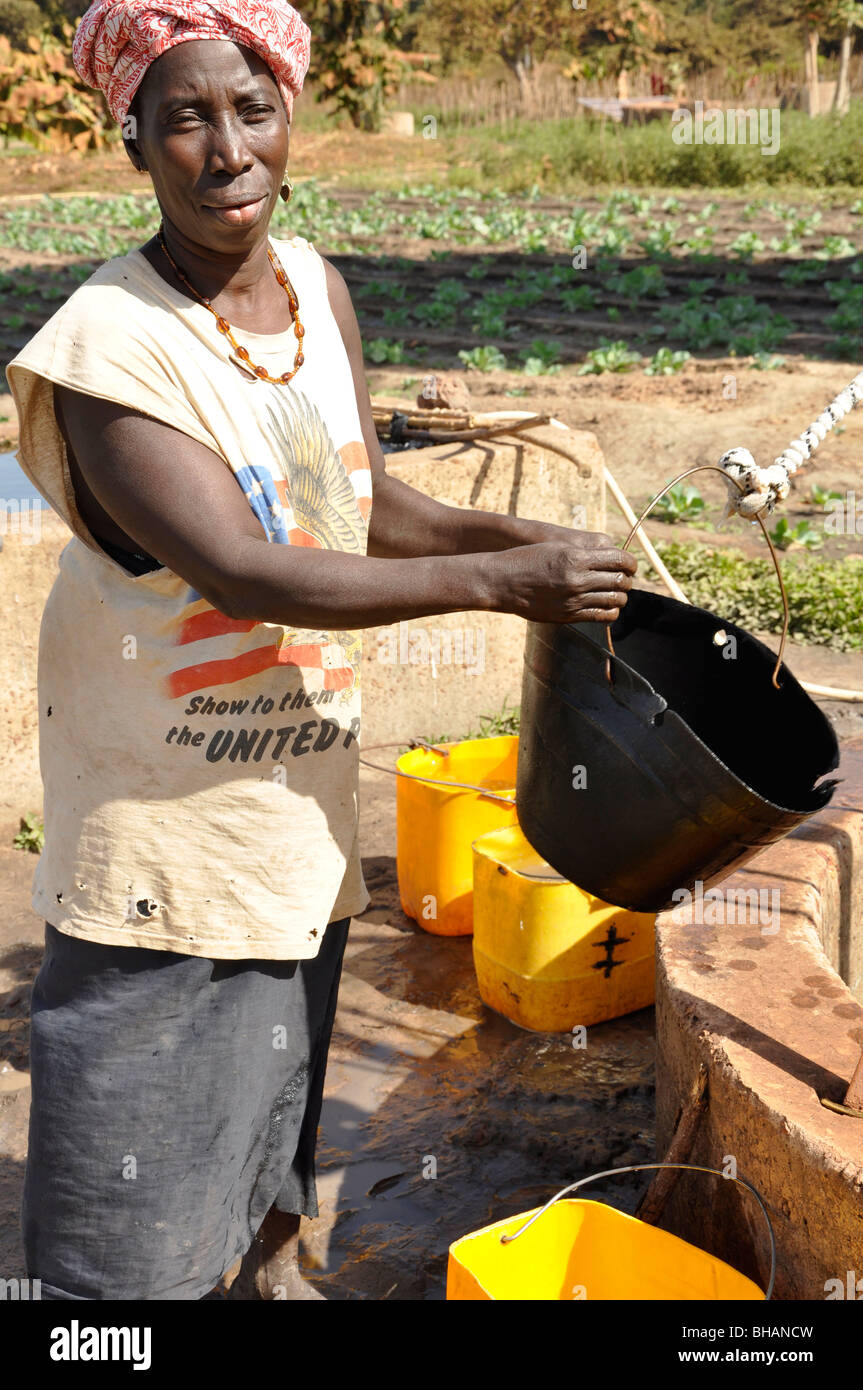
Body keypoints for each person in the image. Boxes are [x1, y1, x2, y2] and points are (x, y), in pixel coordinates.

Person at [6, 0, 637, 1301]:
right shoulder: (109, 351)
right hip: (163, 844)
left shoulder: (311, 290)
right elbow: (248, 567)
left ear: (291, 115)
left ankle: (261, 1270)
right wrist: (507, 580)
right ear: (133, 140)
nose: (227, 148)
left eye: (253, 107)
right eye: (185, 117)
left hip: (291, 807)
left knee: (264, 1130)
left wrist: (519, 537)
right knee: (125, 1215)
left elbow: (361, 504)